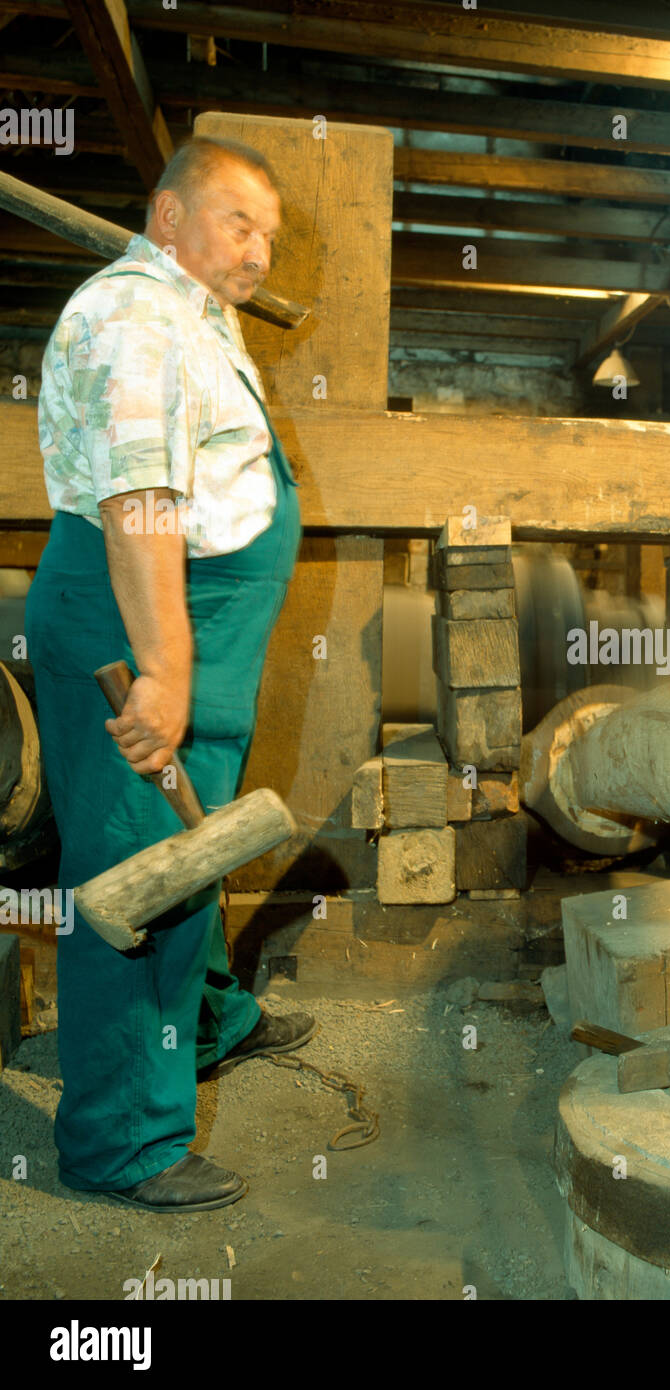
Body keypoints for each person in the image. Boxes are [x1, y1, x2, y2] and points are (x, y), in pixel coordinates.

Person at [25, 136, 317, 1212]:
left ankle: (205, 1022)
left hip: (189, 618)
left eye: (271, 234)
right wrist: (161, 668)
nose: (259, 250)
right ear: (166, 216)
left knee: (196, 840)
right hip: (135, 618)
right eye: (239, 223)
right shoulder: (132, 318)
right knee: (137, 876)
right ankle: (122, 1142)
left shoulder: (188, 306)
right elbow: (137, 504)